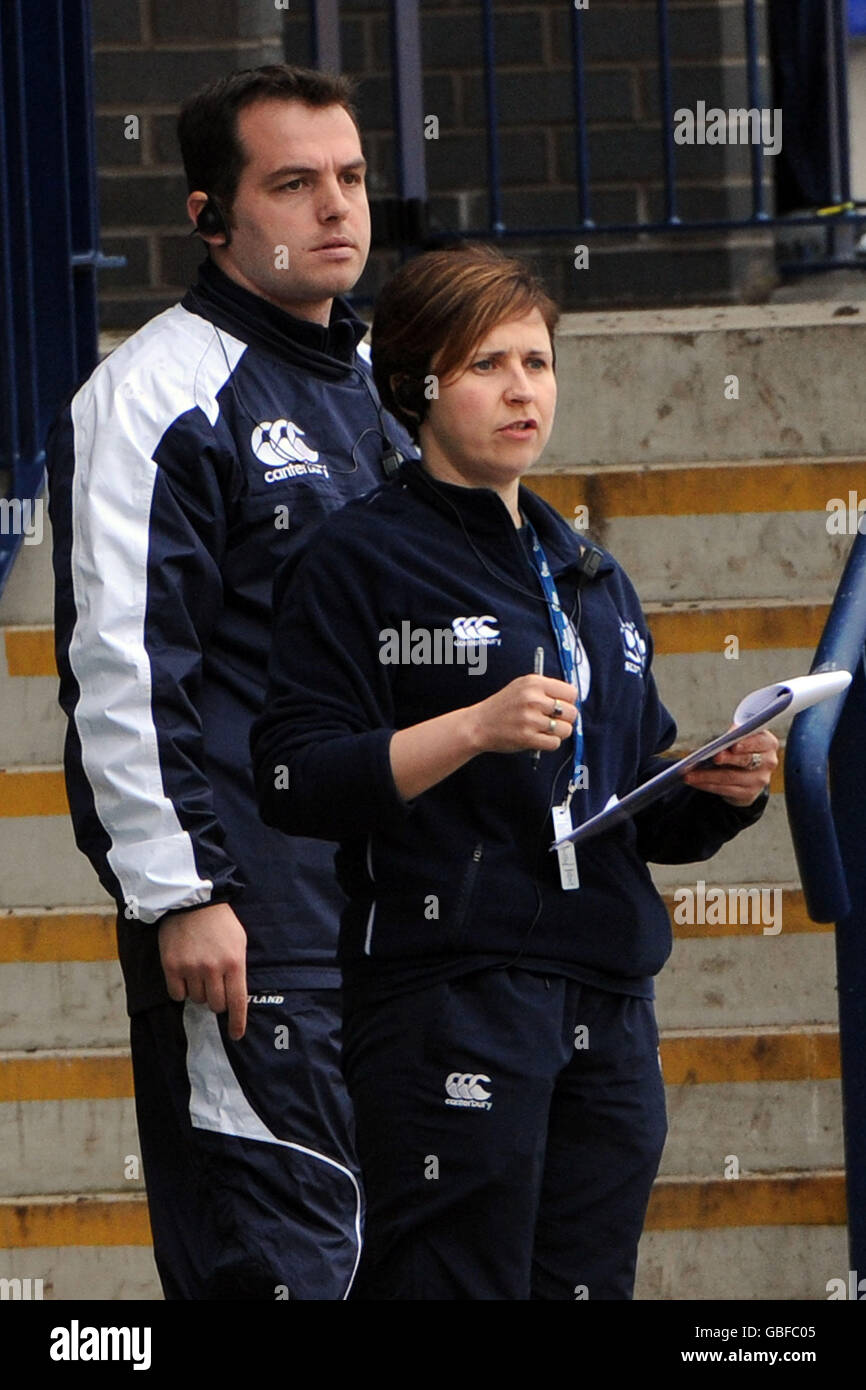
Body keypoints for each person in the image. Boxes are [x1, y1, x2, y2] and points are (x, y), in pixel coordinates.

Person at [251, 243, 777, 1300]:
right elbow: (291, 780)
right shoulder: (357, 557)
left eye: (536, 362)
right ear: (418, 385)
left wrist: (719, 790)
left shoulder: (588, 571)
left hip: (606, 993)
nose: (520, 388)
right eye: (487, 363)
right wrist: (470, 727)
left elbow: (623, 803)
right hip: (448, 990)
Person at [46, 64, 416, 1300]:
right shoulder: (153, 395)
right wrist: (183, 892)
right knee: (281, 1264)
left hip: (399, 927)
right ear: (210, 217)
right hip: (254, 933)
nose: (335, 210)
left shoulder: (372, 390)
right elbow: (121, 671)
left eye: (352, 178)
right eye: (293, 184)